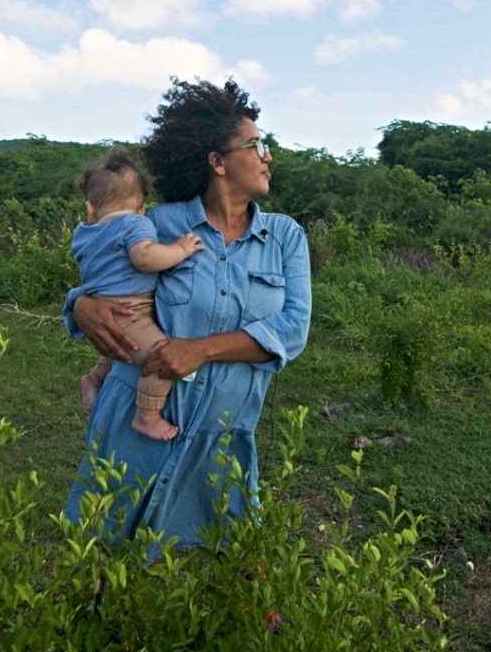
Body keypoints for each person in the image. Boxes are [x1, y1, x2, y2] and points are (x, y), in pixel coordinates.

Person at [63, 79, 311, 549]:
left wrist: (197, 351)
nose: (268, 155)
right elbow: (108, 274)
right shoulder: (159, 222)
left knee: (208, 582)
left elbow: (292, 329)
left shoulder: (284, 237)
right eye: (256, 144)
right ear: (217, 162)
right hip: (131, 422)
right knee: (106, 561)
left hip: (220, 436)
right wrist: (80, 303)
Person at [72, 151, 204, 441]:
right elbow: (144, 258)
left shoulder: (85, 231)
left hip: (104, 305)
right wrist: (181, 250)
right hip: (130, 309)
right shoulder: (135, 224)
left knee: (123, 348)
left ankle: (94, 378)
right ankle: (147, 415)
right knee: (159, 356)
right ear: (142, 208)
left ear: (90, 207)